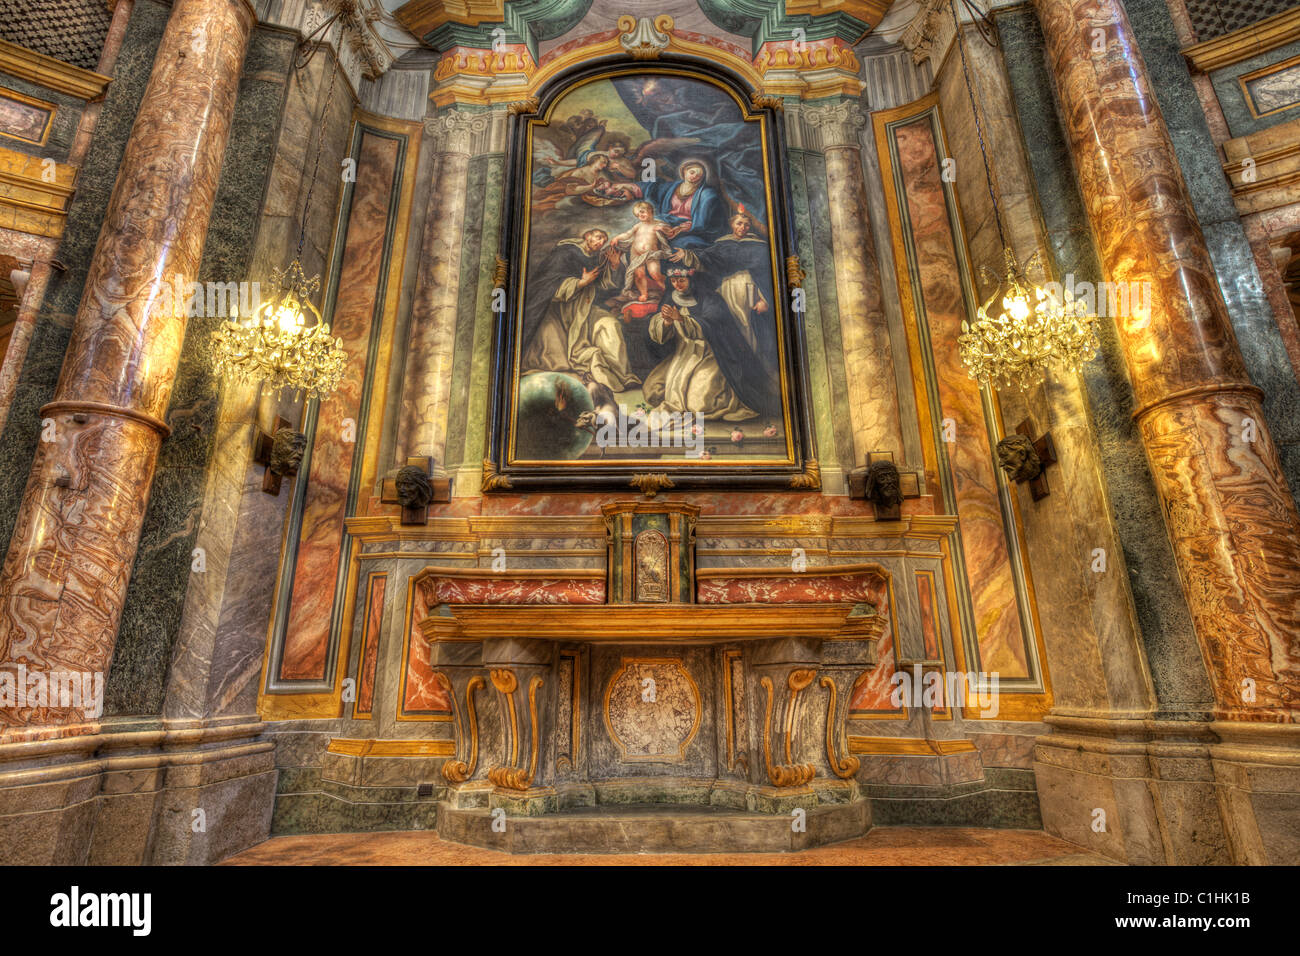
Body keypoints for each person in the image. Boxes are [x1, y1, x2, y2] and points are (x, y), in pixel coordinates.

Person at [642, 268, 778, 421]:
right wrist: (667, 322)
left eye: (681, 280)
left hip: (714, 354)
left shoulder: (710, 298)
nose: (677, 285)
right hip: (684, 354)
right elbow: (658, 331)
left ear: (691, 280)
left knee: (699, 405)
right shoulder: (671, 297)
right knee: (652, 389)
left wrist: (681, 319)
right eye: (673, 281)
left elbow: (714, 325)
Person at [520, 228, 638, 392]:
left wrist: (614, 266)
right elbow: (546, 285)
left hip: (586, 307)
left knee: (610, 324)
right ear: (586, 235)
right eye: (597, 237)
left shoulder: (597, 259)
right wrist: (580, 283)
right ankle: (602, 376)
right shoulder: (564, 253)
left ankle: (623, 376)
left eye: (603, 240)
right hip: (559, 311)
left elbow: (606, 286)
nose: (600, 242)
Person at [610, 201, 683, 302]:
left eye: (642, 212)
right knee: (639, 275)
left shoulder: (658, 224)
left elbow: (670, 233)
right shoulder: (638, 226)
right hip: (636, 252)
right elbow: (627, 234)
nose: (641, 215)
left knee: (655, 274)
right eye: (638, 214)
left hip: (651, 254)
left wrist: (662, 228)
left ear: (651, 211)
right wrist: (617, 237)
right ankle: (644, 293)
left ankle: (667, 288)